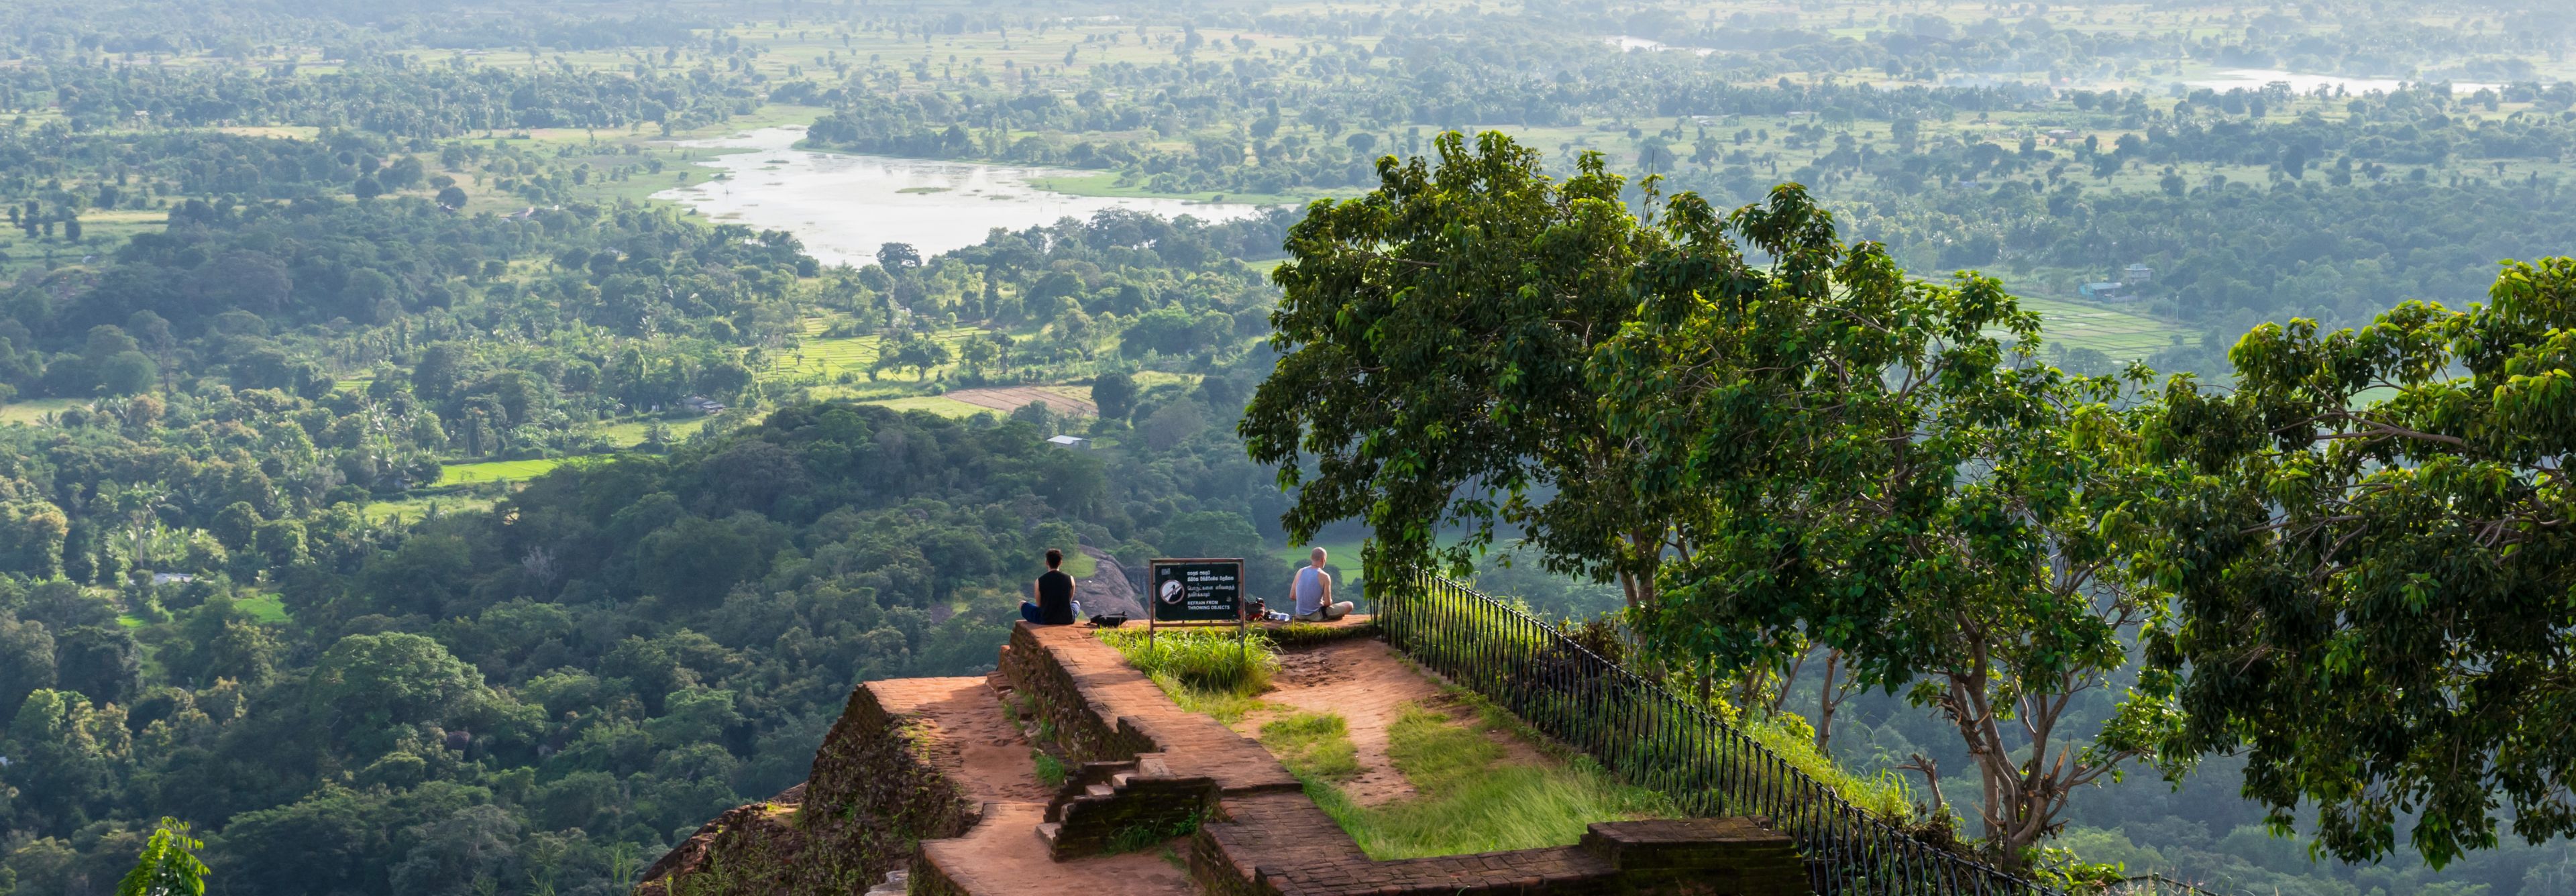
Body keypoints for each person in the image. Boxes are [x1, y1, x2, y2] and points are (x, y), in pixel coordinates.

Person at [1291, 547, 1354, 622]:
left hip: (1300, 615)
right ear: (1323, 560)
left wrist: (1307, 601)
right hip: (1316, 615)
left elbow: (1292, 596)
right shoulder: (1324, 576)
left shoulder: (1300, 571)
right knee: (1349, 605)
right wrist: (1318, 603)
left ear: (1311, 558)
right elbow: (1327, 603)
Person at [1022, 549, 1077, 625]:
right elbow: (1069, 601)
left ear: (1047, 563)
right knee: (1076, 603)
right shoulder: (1070, 579)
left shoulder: (1039, 581)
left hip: (1046, 619)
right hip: (1067, 619)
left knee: (1022, 604)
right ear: (1060, 563)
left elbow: (1039, 605)